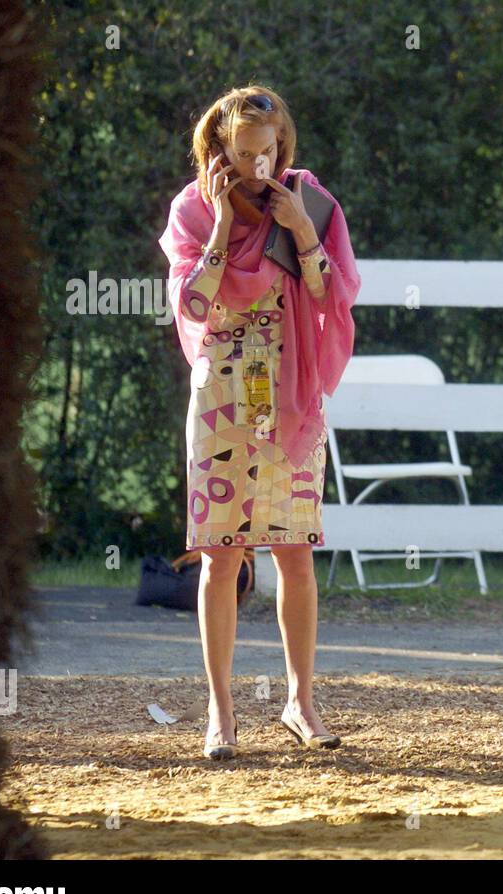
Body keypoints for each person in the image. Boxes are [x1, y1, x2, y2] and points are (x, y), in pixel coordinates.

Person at [158, 86, 361, 760]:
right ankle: (221, 714)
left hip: (292, 390)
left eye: (265, 152)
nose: (255, 167)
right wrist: (221, 226)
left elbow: (332, 292)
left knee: (295, 554)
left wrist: (302, 228)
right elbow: (193, 302)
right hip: (221, 393)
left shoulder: (313, 202)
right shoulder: (192, 208)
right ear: (218, 151)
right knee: (221, 560)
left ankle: (301, 703)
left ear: (282, 145)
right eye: (241, 154)